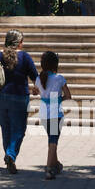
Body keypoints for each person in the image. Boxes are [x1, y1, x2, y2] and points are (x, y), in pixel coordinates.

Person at [0, 29, 37, 173]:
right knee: (19, 130)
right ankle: (11, 154)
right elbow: (35, 77)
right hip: (19, 97)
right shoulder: (24, 57)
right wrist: (37, 89)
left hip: (0, 97)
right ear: (19, 43)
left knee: (6, 129)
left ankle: (9, 159)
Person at [34, 51, 70, 180]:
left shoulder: (38, 79)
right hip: (56, 113)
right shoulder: (59, 78)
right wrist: (58, 99)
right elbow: (68, 96)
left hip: (43, 113)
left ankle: (56, 164)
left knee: (51, 139)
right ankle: (49, 168)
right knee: (53, 141)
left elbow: (37, 92)